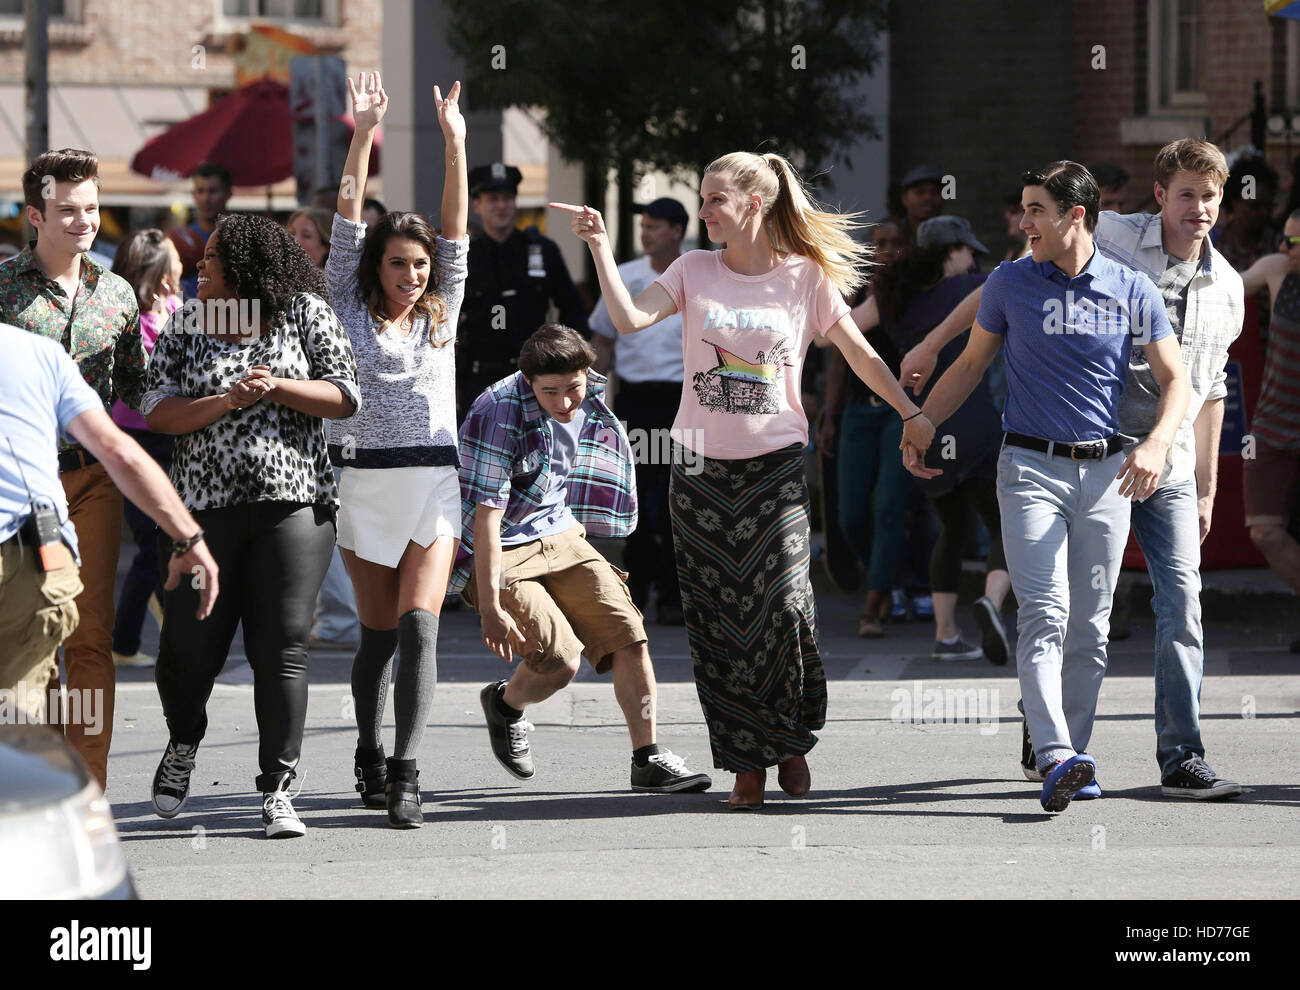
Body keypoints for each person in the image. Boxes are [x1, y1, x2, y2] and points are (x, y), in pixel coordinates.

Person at [553, 151, 936, 809]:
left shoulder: (804, 277)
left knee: (782, 610)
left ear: (753, 205)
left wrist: (912, 413)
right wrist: (597, 247)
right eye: (702, 200)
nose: (703, 214)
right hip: (698, 471)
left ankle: (787, 737)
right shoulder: (693, 270)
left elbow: (860, 353)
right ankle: (746, 764)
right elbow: (627, 320)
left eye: (714, 201)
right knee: (719, 622)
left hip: (777, 469)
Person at [904, 143, 1247, 799]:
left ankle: (1136, 753)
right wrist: (924, 388)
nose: (1197, 208)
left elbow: (1200, 385)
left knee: (1135, 616)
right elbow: (981, 339)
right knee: (1050, 612)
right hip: (1053, 456)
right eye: (1185, 194)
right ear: (1157, 197)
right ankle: (1056, 746)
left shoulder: (1192, 288)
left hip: (1138, 464)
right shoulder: (1062, 255)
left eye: (1209, 196)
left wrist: (1199, 477)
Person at [139, 213, 361, 839]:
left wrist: (277, 388)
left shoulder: (305, 313)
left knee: (282, 646)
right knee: (187, 647)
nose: (200, 267)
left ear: (243, 268)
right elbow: (158, 412)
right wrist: (228, 400)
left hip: (294, 504)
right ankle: (184, 741)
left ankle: (279, 787)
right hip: (199, 514)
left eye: (210, 259)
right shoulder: (188, 322)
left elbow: (347, 396)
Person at [453, 324, 711, 796]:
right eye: (550, 392)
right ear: (527, 379)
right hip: (501, 543)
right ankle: (506, 705)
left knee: (628, 635)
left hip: (560, 530)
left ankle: (648, 758)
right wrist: (489, 605)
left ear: (587, 373)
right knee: (559, 661)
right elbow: (485, 517)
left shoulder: (587, 389)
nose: (566, 402)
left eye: (573, 388)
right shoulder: (497, 411)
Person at [326, 71, 468, 829]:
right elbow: (348, 211)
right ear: (372, 267)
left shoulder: (444, 304)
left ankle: (408, 772)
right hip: (361, 484)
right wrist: (363, 130)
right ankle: (368, 747)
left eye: (420, 265)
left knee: (420, 624)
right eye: (397, 263)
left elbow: (456, 227)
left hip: (432, 484)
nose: (412, 275)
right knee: (377, 639)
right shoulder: (344, 303)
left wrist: (455, 143)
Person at [0, 148, 147, 792]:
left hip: (91, 481)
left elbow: (139, 390)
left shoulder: (117, 293)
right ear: (35, 215)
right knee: (38, 633)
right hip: (24, 488)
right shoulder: (2, 290)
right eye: (68, 211)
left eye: (92, 209)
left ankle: (90, 783)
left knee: (90, 635)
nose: (84, 221)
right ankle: (40, 777)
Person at [0, 324, 218, 727]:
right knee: (18, 726)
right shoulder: (36, 353)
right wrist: (188, 537)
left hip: (31, 553)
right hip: (27, 559)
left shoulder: (49, 348)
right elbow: (119, 452)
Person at [859, 215, 1012, 662]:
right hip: (979, 421)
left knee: (951, 527)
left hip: (926, 425)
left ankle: (945, 635)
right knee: (1003, 525)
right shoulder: (981, 286)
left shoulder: (894, 296)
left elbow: (836, 334)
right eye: (969, 251)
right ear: (953, 251)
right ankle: (992, 600)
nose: (974, 259)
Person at [589, 196, 688, 625]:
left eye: (655, 226)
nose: (646, 232)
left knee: (676, 500)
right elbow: (603, 340)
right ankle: (635, 589)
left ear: (677, 232)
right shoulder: (625, 276)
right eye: (643, 225)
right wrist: (587, 400)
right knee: (633, 495)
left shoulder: (697, 275)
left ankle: (674, 593)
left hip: (683, 404)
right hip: (633, 402)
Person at [456, 162, 589, 418]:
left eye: (507, 198)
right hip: (478, 377)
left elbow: (573, 308)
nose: (501, 206)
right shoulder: (466, 256)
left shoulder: (541, 250)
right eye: (492, 199)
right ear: (477, 205)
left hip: (534, 377)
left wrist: (569, 361)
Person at [108, 230, 183, 668]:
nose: (182, 265)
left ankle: (130, 636)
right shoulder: (130, 317)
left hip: (170, 437)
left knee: (164, 538)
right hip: (134, 438)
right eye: (174, 260)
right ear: (157, 270)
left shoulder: (177, 309)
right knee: (151, 539)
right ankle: (126, 638)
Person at [1240, 210, 1300, 652]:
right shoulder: (1278, 270)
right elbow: (1227, 287)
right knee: (1264, 529)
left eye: (1294, 244)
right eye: (1284, 238)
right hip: (1273, 422)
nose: (1283, 248)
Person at [169, 161, 232, 299]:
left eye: (213, 191)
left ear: (228, 193)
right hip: (187, 314)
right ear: (193, 194)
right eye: (200, 191)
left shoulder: (237, 238)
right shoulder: (180, 239)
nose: (205, 199)